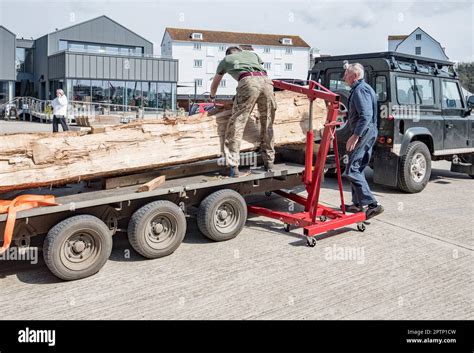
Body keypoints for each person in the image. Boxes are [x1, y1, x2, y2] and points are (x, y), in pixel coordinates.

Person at [210, 46, 277, 177]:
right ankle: (269, 163)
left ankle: (233, 166)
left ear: (228, 54)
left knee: (237, 123)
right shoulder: (253, 55)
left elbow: (215, 84)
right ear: (240, 52)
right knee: (267, 123)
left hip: (248, 82)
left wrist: (212, 97)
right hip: (267, 82)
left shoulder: (226, 59)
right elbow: (257, 70)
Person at [343, 63, 384, 219]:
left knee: (352, 170)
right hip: (368, 132)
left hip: (365, 133)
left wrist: (355, 135)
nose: (344, 76)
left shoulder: (360, 90)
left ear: (355, 75)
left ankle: (373, 204)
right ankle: (357, 204)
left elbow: (366, 116)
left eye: (346, 73)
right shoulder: (362, 88)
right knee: (357, 169)